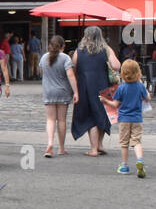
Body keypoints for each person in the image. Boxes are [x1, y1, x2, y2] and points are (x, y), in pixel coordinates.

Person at [71, 25, 120, 157]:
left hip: (84, 86)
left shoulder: (78, 51)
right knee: (103, 114)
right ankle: (99, 144)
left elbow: (73, 68)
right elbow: (117, 66)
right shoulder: (106, 49)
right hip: (103, 86)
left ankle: (94, 148)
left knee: (90, 117)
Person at [107, 59, 149, 177]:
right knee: (136, 141)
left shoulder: (121, 88)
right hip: (137, 119)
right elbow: (148, 98)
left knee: (124, 143)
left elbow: (115, 104)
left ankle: (125, 166)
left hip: (124, 119)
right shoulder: (140, 86)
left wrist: (104, 100)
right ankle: (140, 160)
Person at [40, 34, 78, 157]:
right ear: (63, 46)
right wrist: (76, 92)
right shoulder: (66, 58)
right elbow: (71, 76)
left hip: (48, 91)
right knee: (61, 120)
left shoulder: (44, 57)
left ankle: (50, 144)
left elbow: (41, 72)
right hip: (63, 92)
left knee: (50, 120)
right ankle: (61, 148)